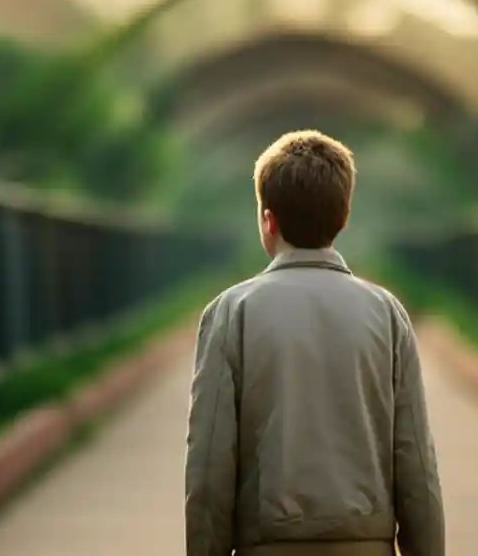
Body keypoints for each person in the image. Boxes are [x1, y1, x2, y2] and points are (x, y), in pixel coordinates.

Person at [185, 130, 445, 556]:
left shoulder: (232, 313)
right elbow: (416, 462)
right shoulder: (387, 313)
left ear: (268, 220)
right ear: (343, 217)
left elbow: (209, 465)